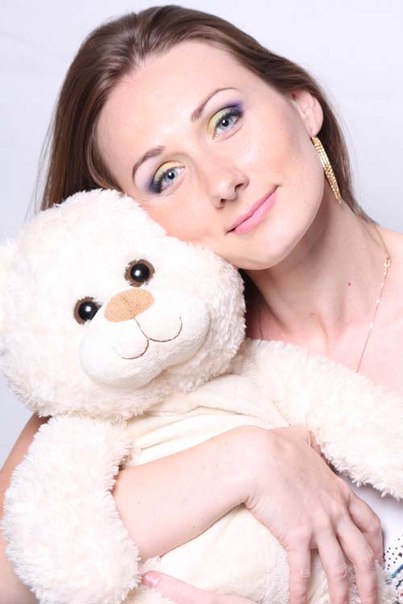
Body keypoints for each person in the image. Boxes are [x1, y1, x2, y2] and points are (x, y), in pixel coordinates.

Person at [1, 5, 402, 604]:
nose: (222, 181)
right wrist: (246, 462)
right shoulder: (148, 373)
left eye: (226, 120)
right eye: (165, 175)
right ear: (126, 217)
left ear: (301, 105)